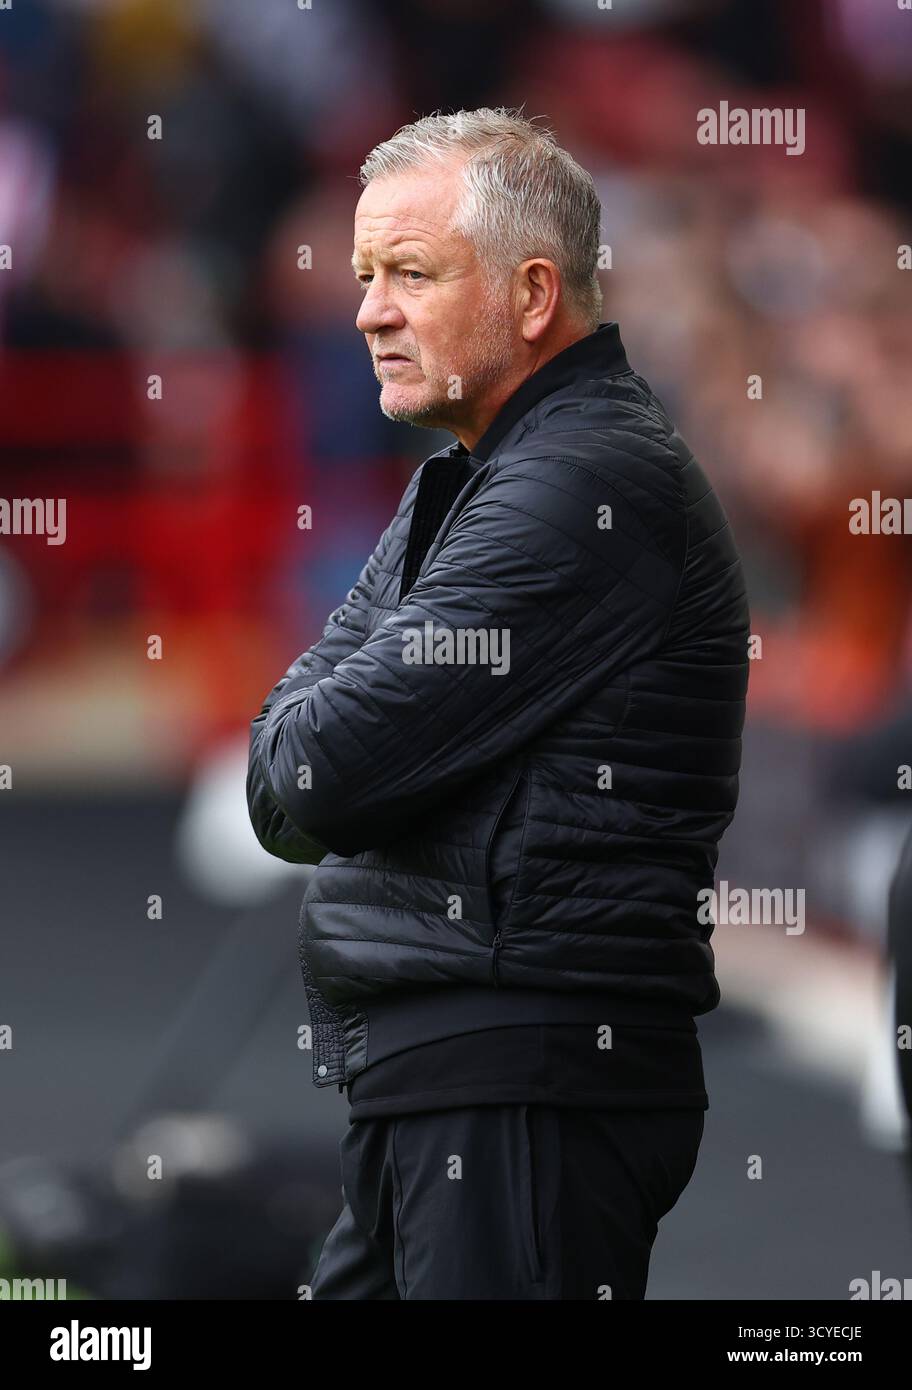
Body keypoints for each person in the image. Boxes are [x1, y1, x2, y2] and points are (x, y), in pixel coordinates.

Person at [246, 107, 750, 1299]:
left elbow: (314, 772)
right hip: (457, 1078)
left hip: (517, 1080)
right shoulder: (474, 482)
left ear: (533, 295)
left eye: (410, 274)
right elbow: (290, 760)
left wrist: (315, 745)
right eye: (367, 275)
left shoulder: (580, 484)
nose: (368, 310)